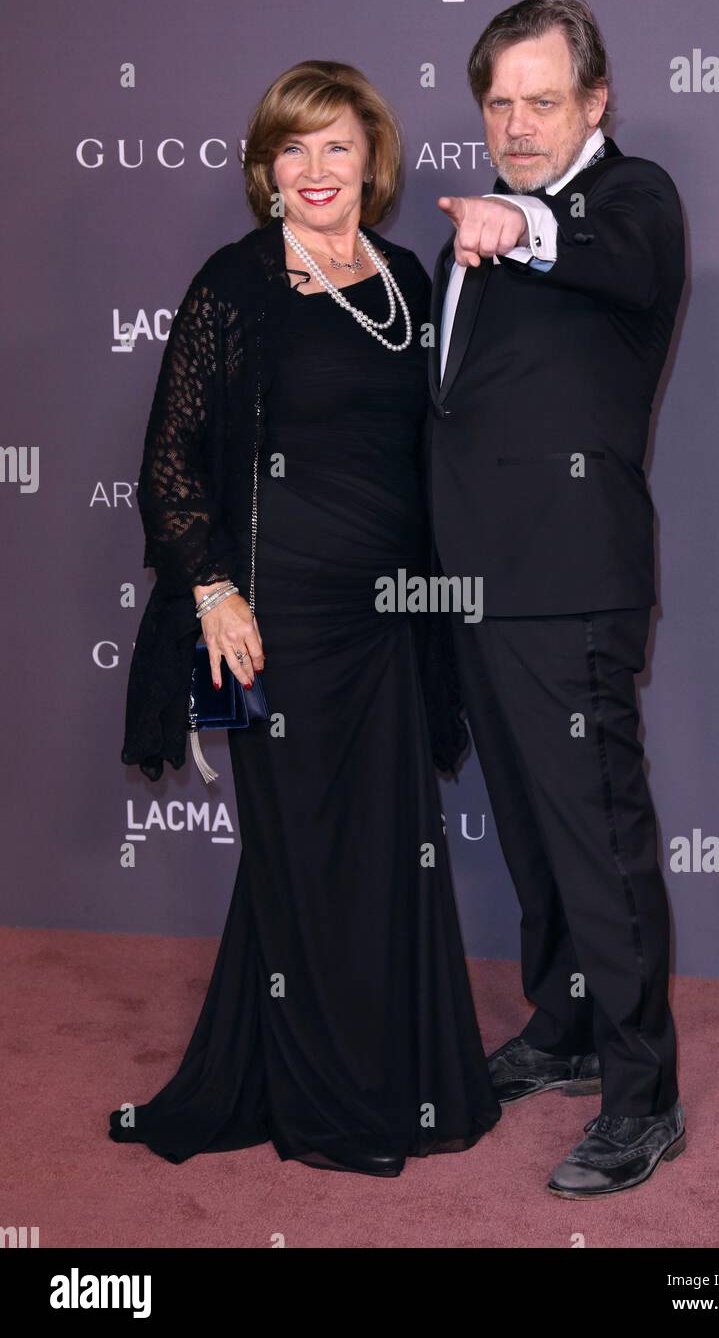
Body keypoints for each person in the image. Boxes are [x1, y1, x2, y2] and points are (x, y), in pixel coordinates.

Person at [111, 59, 500, 1176]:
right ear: (264, 168)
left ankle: (404, 1075)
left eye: (337, 145)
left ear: (372, 160)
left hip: (390, 616)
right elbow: (169, 462)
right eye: (294, 148)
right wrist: (214, 589)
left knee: (389, 848)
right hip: (276, 616)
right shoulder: (235, 285)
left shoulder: (408, 279)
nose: (317, 168)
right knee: (304, 847)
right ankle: (330, 1101)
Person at [428, 0, 686, 1198]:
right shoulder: (460, 245)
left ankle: (644, 1101)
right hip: (471, 586)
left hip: (572, 584)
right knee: (534, 834)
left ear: (594, 104)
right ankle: (564, 1022)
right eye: (498, 102)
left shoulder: (630, 206)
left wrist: (515, 223)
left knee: (598, 840)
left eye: (542, 101)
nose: (517, 125)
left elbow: (596, 253)